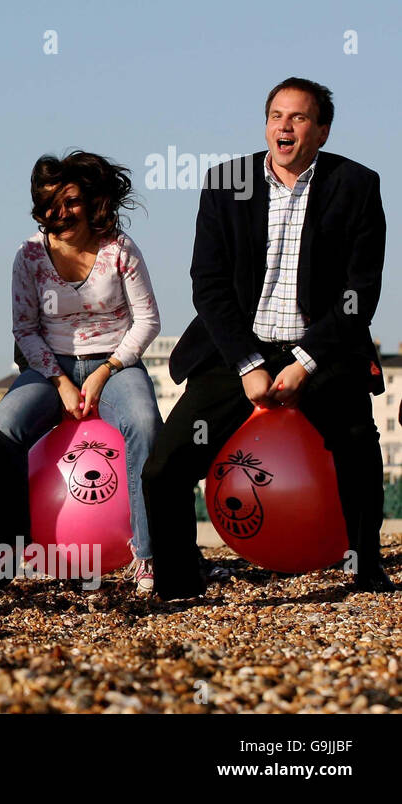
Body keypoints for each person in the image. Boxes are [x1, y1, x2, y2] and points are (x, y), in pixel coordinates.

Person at [143, 78, 395, 598]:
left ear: (322, 130)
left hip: (322, 349)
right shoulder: (225, 183)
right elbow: (208, 286)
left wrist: (305, 362)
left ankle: (366, 566)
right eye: (276, 115)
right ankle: (176, 584)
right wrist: (247, 363)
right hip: (239, 347)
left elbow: (359, 291)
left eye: (299, 117)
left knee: (357, 444)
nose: (284, 126)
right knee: (164, 468)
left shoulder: (357, 185)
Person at [0, 152, 162, 592]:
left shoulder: (120, 248)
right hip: (48, 366)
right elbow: (25, 329)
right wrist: (58, 380)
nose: (62, 212)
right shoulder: (30, 255)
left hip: (114, 363)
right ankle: (3, 549)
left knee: (146, 424)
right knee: (4, 426)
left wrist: (105, 371)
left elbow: (148, 320)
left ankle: (149, 555)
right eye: (51, 203)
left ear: (92, 202)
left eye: (72, 200)